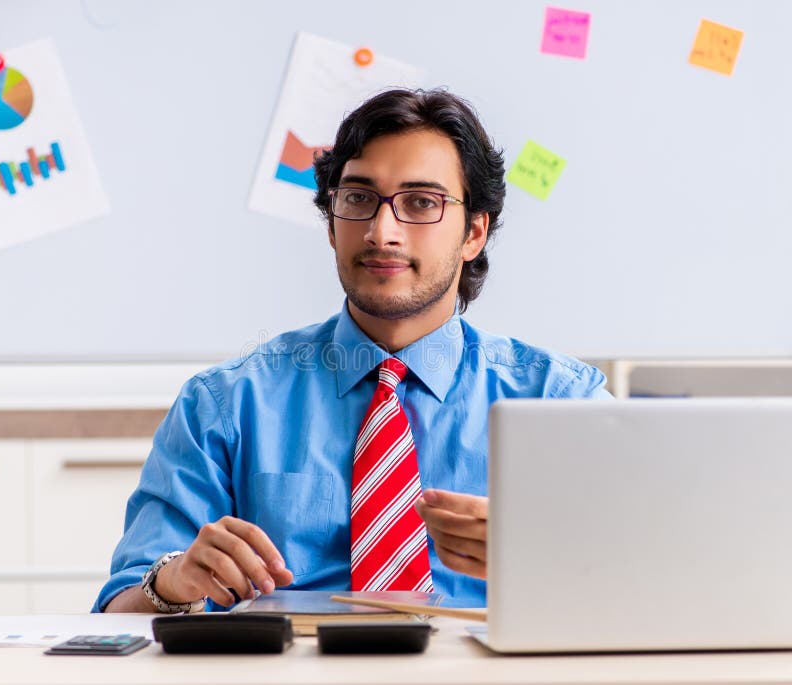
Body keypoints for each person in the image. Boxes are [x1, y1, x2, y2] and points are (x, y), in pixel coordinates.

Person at [95, 88, 609, 614]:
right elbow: (121, 612)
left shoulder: (561, 403)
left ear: (474, 232)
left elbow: (652, 585)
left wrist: (555, 558)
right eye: (359, 198)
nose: (381, 232)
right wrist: (175, 582)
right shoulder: (226, 405)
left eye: (422, 203)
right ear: (331, 222)